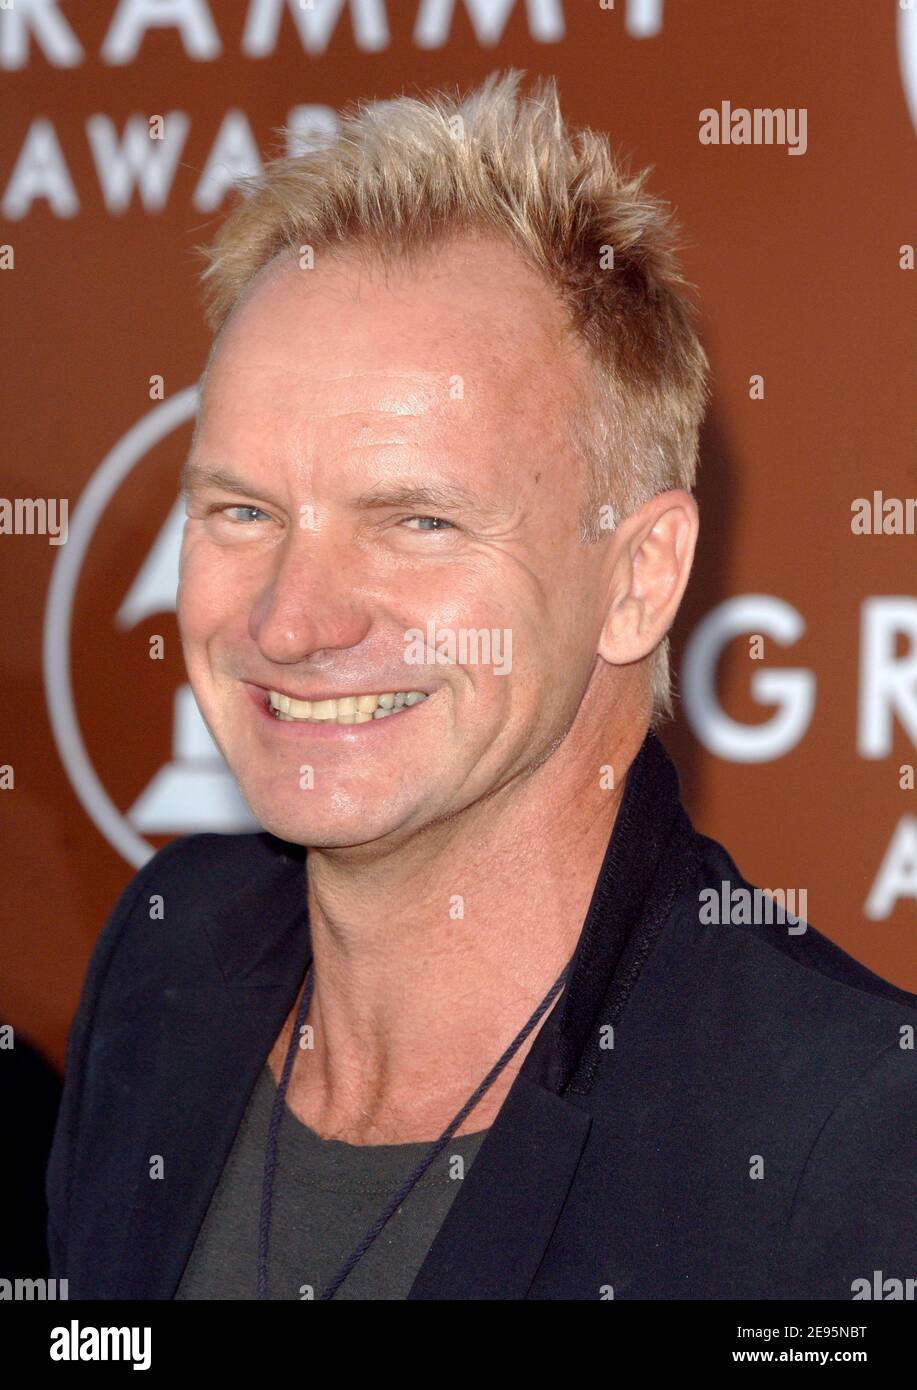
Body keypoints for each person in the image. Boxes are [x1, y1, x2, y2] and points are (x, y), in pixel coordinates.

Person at [46, 69, 915, 1301]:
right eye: (242, 509)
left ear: (637, 576)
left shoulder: (847, 1134)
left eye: (416, 522)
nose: (292, 620)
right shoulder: (166, 957)